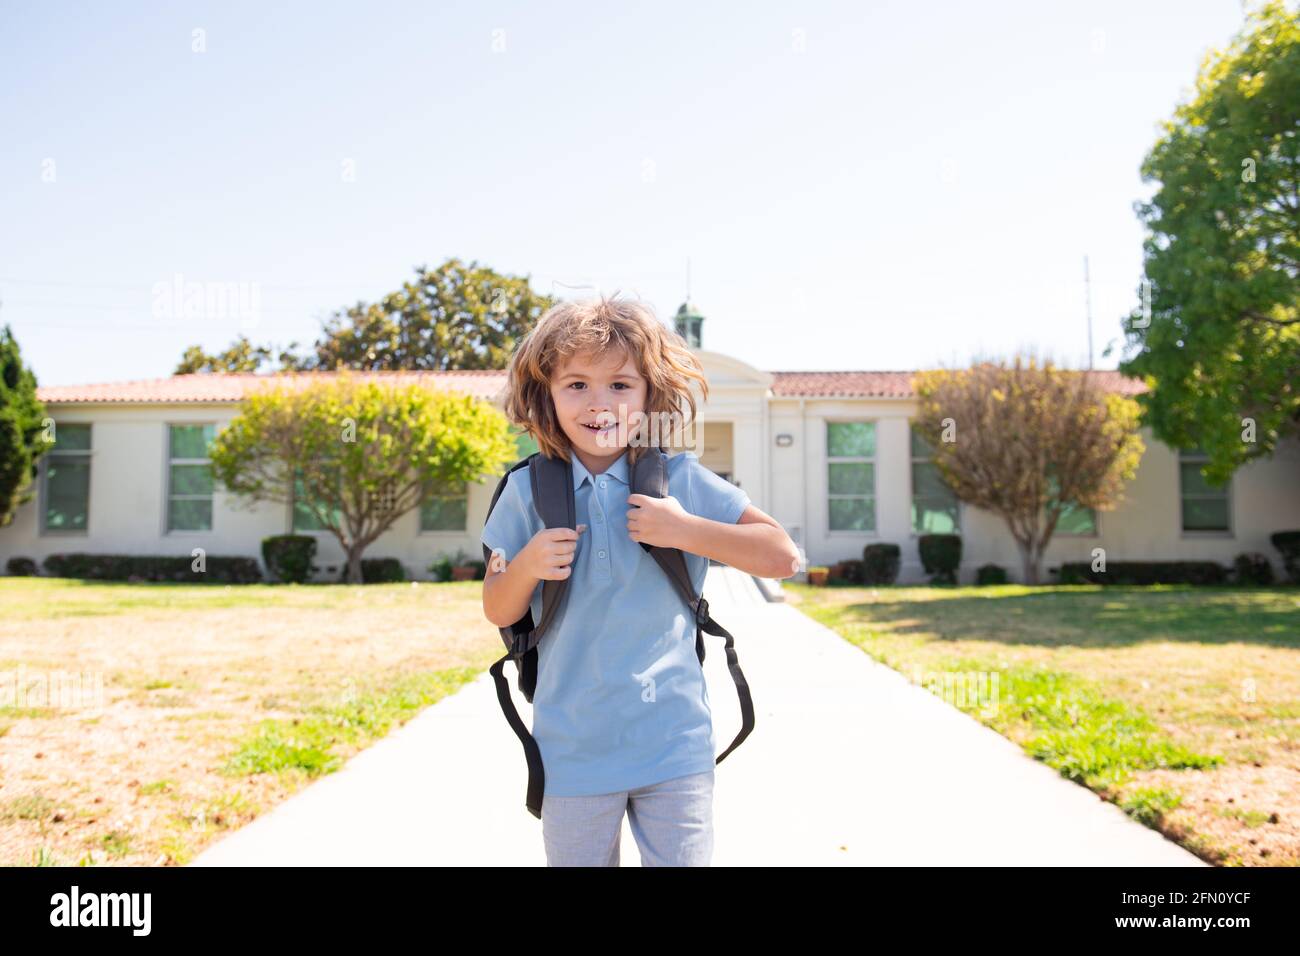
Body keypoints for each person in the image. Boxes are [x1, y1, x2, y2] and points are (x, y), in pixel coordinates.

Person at [480, 292, 799, 866]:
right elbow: (499, 609)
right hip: (572, 751)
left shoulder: (680, 480)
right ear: (546, 397)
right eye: (576, 384)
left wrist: (687, 530)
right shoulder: (527, 492)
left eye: (621, 385)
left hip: (673, 746)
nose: (599, 403)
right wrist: (526, 566)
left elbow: (781, 556)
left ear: (652, 394)